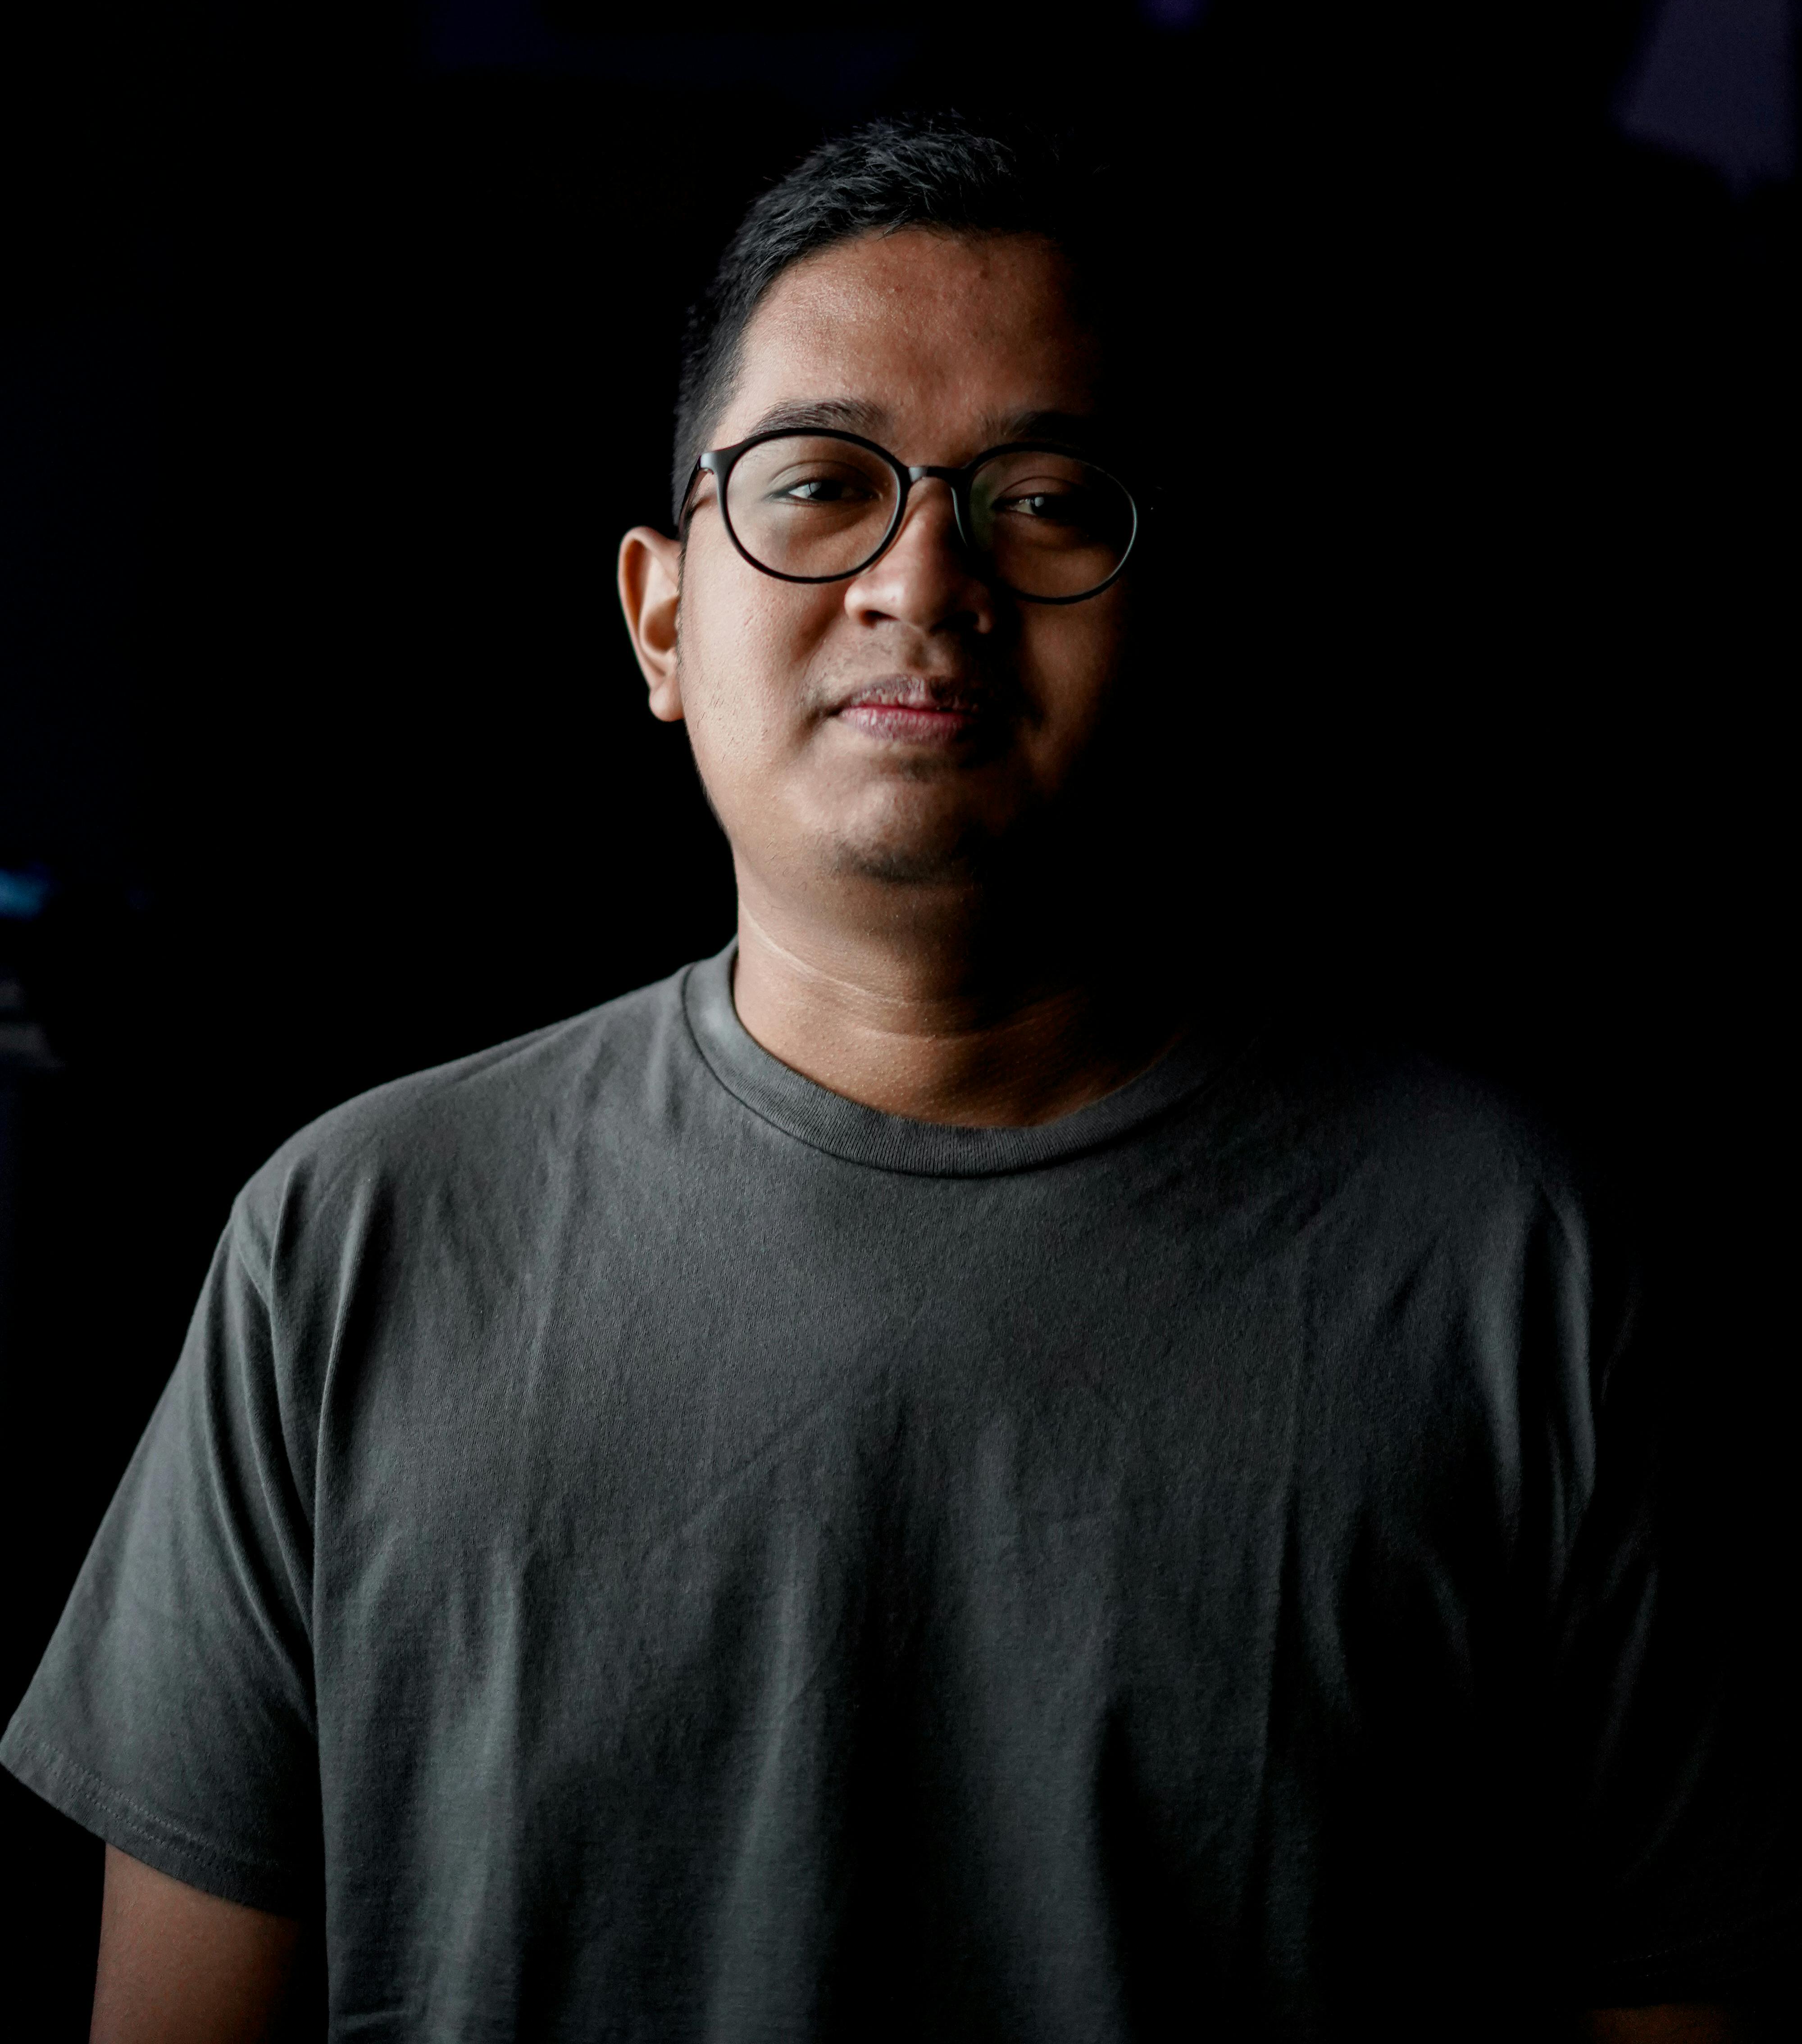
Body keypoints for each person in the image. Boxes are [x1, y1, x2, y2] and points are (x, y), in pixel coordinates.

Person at [2, 119, 1782, 2039]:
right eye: (823, 484)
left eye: (1041, 500)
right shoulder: (352, 1243)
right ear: (661, 617)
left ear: (1168, 619)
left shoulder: (1502, 1263)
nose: (922, 580)